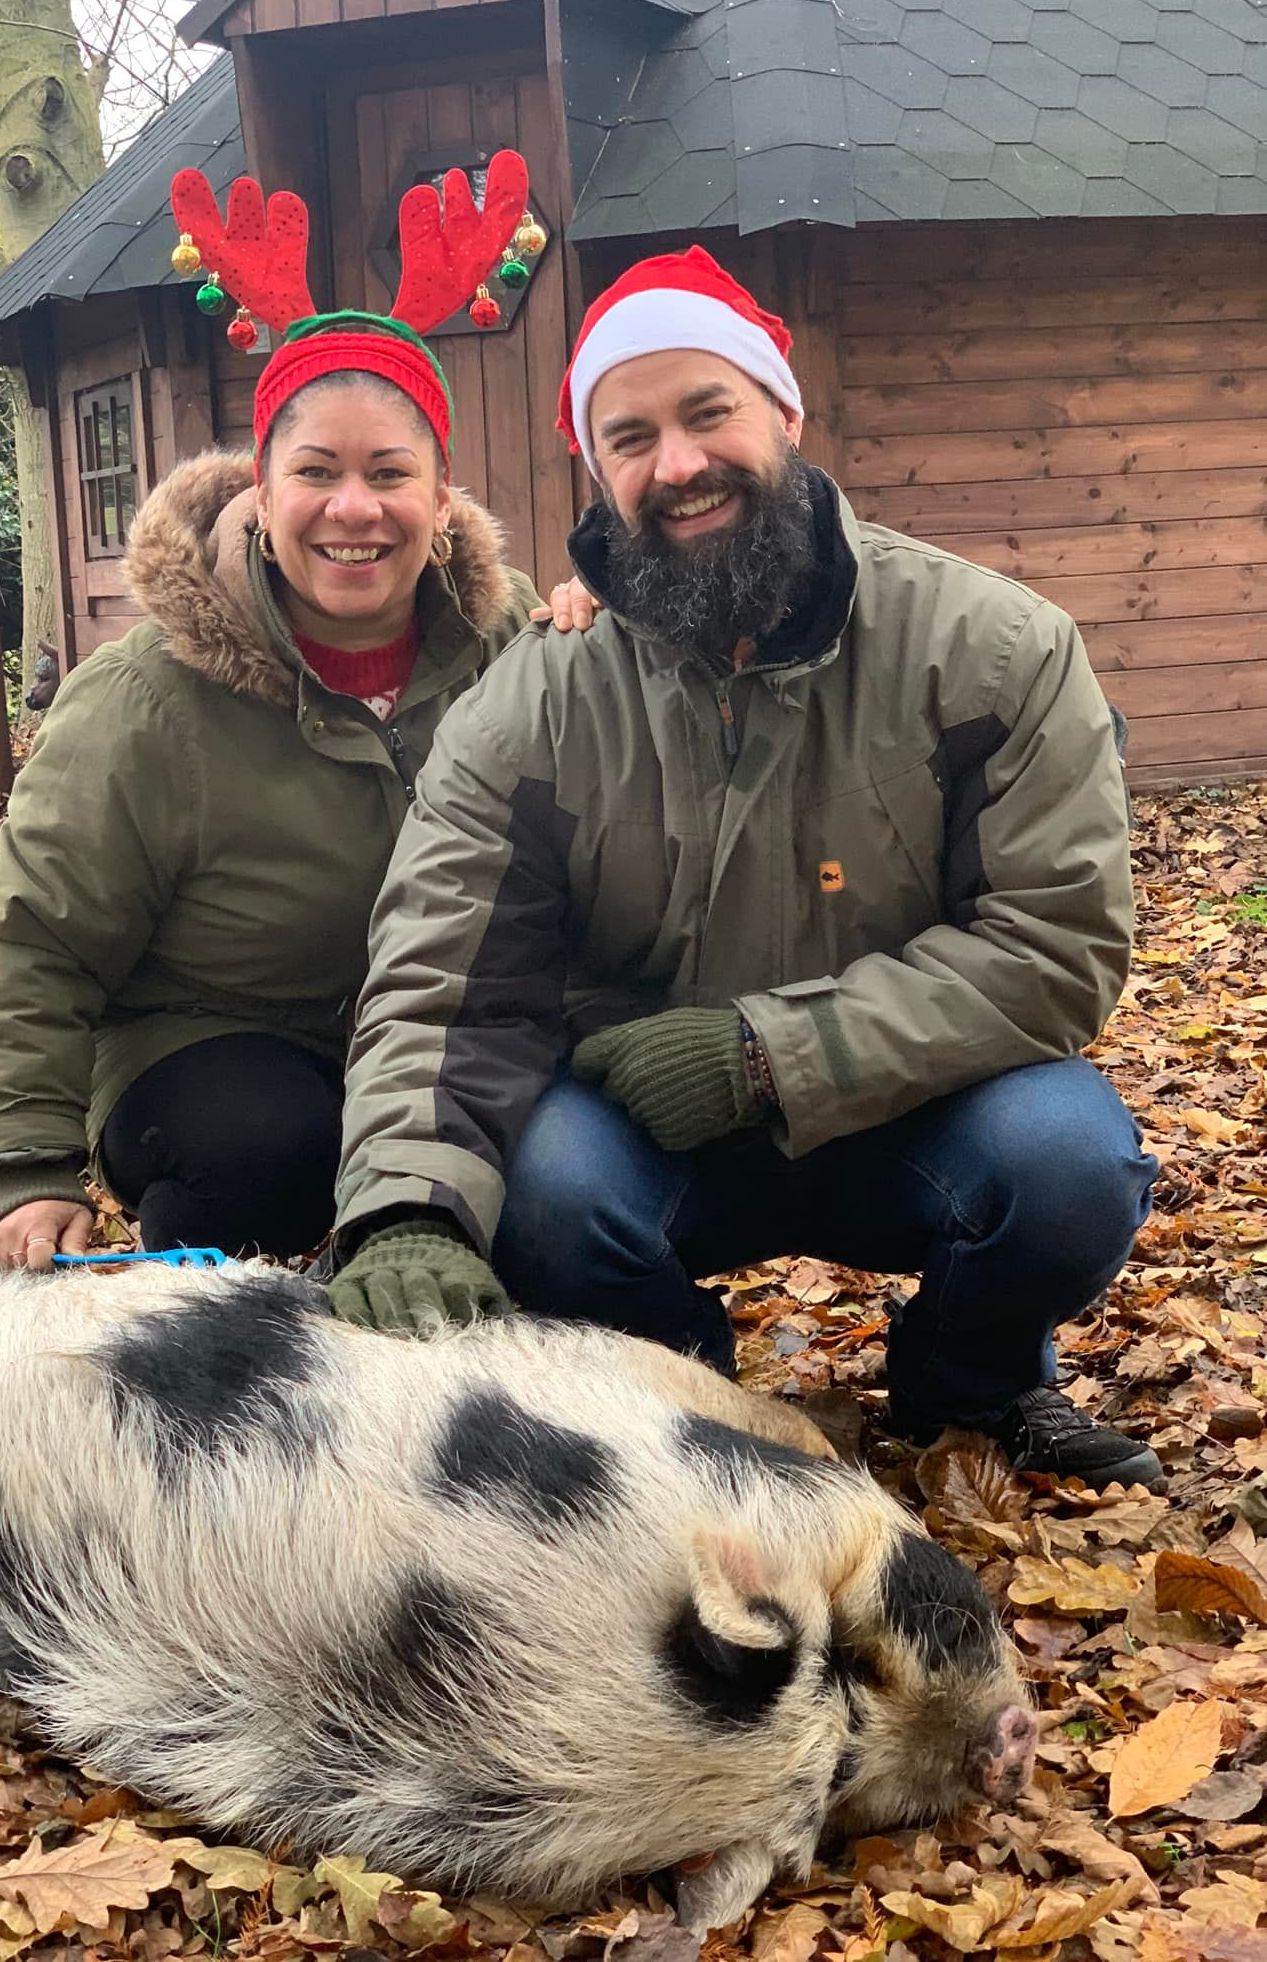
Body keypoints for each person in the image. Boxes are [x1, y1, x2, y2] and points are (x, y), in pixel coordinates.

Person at [326, 246, 1162, 1490]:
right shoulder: (533, 704)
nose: (677, 463)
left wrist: (766, 1055)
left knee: (1072, 1162)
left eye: (707, 411)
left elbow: (1055, 945)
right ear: (597, 473)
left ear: (786, 413)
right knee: (541, 1190)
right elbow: (443, 979)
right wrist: (406, 1207)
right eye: (630, 437)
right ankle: (690, 1404)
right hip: (646, 1138)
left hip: (920, 1108)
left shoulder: (996, 648)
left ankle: (973, 1384)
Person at [0, 153, 584, 1269]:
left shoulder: (517, 648)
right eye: (315, 471)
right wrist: (29, 1167)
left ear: (441, 500)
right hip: (213, 1036)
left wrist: (611, 616)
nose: (355, 507)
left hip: (448, 1027)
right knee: (273, 1146)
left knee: (552, 1153)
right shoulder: (144, 700)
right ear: (262, 488)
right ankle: (221, 1333)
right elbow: (38, 939)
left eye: (390, 473)